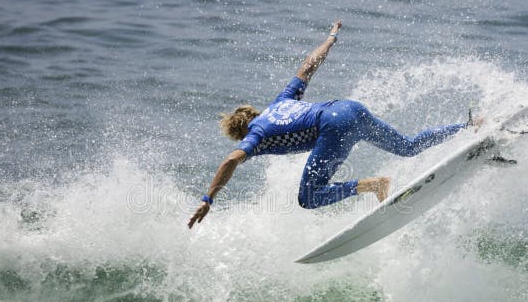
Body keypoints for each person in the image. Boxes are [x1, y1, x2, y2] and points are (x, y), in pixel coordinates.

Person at [188, 20, 477, 229]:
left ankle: (374, 184)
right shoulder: (280, 102)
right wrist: (330, 38)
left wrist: (208, 198)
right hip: (350, 108)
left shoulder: (257, 136)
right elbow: (308, 66)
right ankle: (468, 126)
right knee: (408, 146)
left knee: (309, 197)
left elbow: (231, 160)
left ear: (240, 131)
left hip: (333, 126)